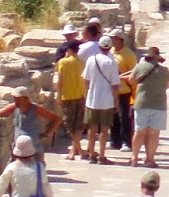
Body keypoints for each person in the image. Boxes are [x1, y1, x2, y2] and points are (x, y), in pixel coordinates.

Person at [0, 88, 61, 159]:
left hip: (34, 149)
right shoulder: (14, 107)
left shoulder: (36, 109)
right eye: (14, 98)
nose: (15, 100)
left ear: (25, 99)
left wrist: (48, 133)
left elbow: (57, 119)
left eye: (18, 98)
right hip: (18, 149)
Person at [81, 36, 122, 164]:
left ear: (99, 47)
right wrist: (117, 101)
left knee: (92, 128)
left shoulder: (91, 60)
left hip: (92, 99)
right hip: (106, 100)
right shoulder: (112, 62)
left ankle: (91, 154)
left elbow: (86, 80)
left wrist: (87, 94)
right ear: (110, 47)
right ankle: (102, 156)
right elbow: (115, 84)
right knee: (104, 129)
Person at [129, 45, 169, 167]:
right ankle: (150, 159)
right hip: (159, 104)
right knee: (154, 133)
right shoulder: (164, 70)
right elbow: (167, 85)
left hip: (142, 103)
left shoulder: (140, 67)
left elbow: (131, 80)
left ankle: (134, 158)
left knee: (139, 131)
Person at [56, 42, 87, 160]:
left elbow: (60, 80)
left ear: (69, 50)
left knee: (69, 125)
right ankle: (76, 150)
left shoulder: (63, 62)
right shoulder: (82, 62)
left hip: (68, 95)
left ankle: (75, 151)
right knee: (78, 124)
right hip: (81, 95)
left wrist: (59, 96)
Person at [111, 31, 139, 152]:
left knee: (125, 117)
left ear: (120, 40)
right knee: (113, 117)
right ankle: (115, 141)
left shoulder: (129, 55)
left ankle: (126, 142)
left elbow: (134, 72)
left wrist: (121, 77)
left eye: (114, 38)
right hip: (112, 90)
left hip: (124, 90)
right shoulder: (110, 52)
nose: (112, 40)